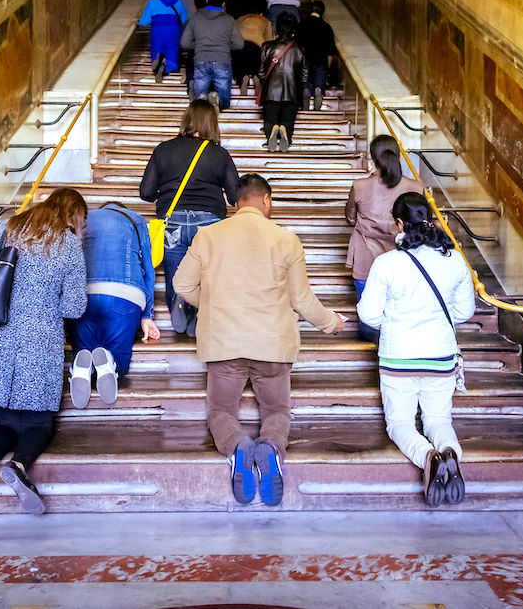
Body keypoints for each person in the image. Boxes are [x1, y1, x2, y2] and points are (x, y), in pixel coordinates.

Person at [172, 174, 345, 507]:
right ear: (266, 200)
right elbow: (302, 300)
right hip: (273, 344)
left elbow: (182, 284)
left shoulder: (208, 235)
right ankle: (270, 447)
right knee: (278, 410)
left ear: (236, 203)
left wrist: (212, 304)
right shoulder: (286, 240)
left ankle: (237, 446)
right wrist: (331, 323)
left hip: (224, 343)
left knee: (221, 410)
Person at [0, 188, 89, 516]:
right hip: (40, 340)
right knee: (39, 425)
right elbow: (74, 306)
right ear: (73, 215)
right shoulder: (68, 244)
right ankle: (18, 466)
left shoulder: (9, 227)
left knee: (4, 422)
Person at [356, 191, 476, 507]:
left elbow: (367, 314)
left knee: (400, 425)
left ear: (399, 223)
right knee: (439, 420)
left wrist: (397, 322)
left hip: (399, 357)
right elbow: (464, 312)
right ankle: (450, 452)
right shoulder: (456, 260)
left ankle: (429, 458)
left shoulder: (387, 263)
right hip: (441, 356)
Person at [140, 100, 239, 337]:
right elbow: (236, 195)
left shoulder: (163, 149)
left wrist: (164, 192)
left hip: (172, 221)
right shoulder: (219, 154)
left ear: (186, 120)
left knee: (176, 272)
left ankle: (180, 303)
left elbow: (145, 192)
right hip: (209, 224)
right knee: (206, 271)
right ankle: (200, 310)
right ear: (212, 124)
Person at [68, 203, 161, 408]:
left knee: (85, 344)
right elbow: (148, 268)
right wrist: (147, 315)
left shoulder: (83, 217)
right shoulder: (136, 220)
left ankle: (82, 366)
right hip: (126, 295)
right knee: (119, 355)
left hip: (85, 293)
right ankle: (113, 361)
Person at [345, 135, 424, 301]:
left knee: (368, 316)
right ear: (398, 156)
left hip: (366, 261)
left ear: (373, 160)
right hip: (404, 260)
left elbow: (350, 219)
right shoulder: (416, 187)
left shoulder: (360, 186)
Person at [180, 0, 244, 110]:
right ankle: (218, 101)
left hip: (201, 60)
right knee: (224, 102)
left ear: (207, 0)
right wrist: (223, 45)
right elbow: (239, 44)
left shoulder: (196, 18)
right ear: (224, 3)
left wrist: (200, 45)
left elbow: (184, 42)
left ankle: (202, 98)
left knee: (200, 100)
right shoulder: (229, 20)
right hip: (222, 60)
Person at [258, 12, 304, 152]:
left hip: (271, 92)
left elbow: (261, 72)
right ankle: (285, 131)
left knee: (270, 120)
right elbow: (304, 75)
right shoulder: (299, 49)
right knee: (289, 120)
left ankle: (272, 130)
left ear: (277, 29)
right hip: (292, 92)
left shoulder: (267, 46)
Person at [138, 0, 188, 83]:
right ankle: (168, 68)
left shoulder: (152, 2)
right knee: (172, 54)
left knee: (156, 51)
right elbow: (185, 20)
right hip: (173, 32)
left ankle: (157, 66)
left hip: (157, 32)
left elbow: (144, 22)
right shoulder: (178, 2)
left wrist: (137, 21)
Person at [295, 0, 338, 110]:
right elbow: (331, 52)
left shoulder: (302, 25)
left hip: (305, 59)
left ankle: (306, 92)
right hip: (321, 61)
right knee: (318, 84)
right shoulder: (326, 27)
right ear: (322, 12)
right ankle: (318, 95)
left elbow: (296, 46)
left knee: (305, 83)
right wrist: (327, 68)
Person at [234, 11, 269, 97]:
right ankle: (256, 78)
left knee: (241, 69)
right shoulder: (265, 21)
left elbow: (234, 35)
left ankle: (243, 78)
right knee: (257, 70)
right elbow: (269, 40)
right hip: (258, 45)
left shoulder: (240, 19)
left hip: (243, 45)